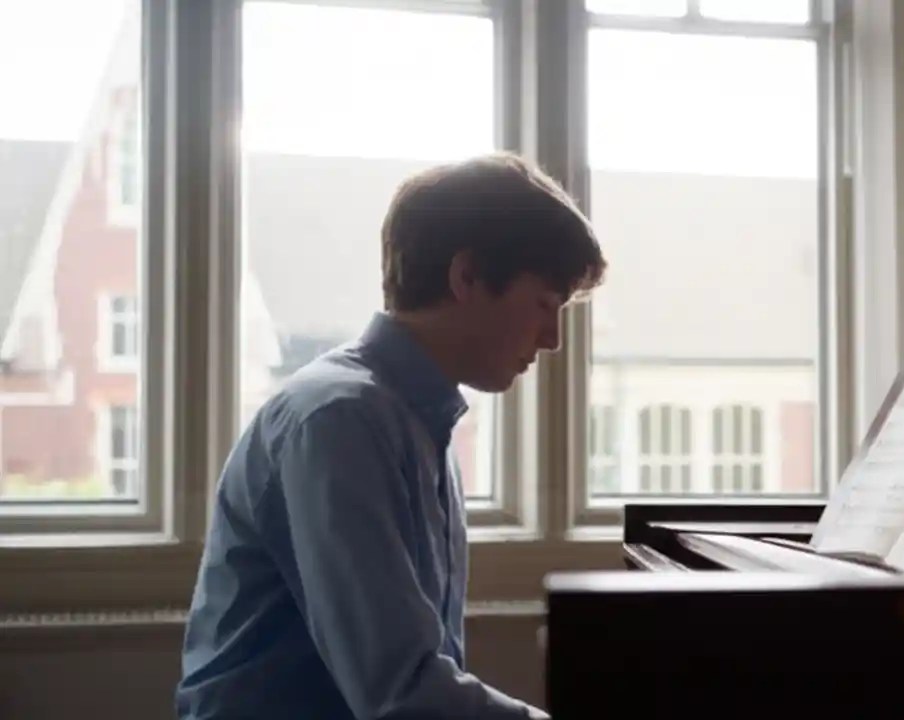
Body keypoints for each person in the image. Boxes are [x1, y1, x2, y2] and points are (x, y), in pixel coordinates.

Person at [176, 152, 606, 719]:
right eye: (544, 305)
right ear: (467, 277)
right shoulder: (339, 421)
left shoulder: (412, 417)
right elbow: (400, 692)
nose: (552, 340)